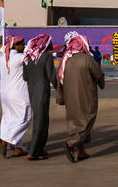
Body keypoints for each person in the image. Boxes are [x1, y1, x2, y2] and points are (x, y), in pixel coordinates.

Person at [58, 31, 105, 163]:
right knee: (87, 119)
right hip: (86, 96)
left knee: (74, 124)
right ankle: (70, 144)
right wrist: (101, 83)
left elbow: (59, 79)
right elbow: (98, 74)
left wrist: (61, 97)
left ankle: (81, 152)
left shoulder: (66, 60)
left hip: (70, 98)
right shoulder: (88, 59)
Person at [23, 32, 56, 159]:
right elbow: (52, 76)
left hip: (32, 92)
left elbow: (25, 77)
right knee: (41, 121)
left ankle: (40, 150)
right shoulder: (46, 56)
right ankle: (33, 151)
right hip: (42, 92)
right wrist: (60, 89)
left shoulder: (27, 57)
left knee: (42, 120)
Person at [0, 37, 31, 157]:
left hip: (4, 94)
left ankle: (18, 147)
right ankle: (7, 139)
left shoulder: (2, 58)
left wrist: (1, 89)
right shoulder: (20, 57)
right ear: (15, 46)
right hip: (19, 94)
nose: (23, 46)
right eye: (22, 44)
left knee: (8, 119)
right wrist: (54, 55)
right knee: (25, 118)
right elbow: (36, 58)